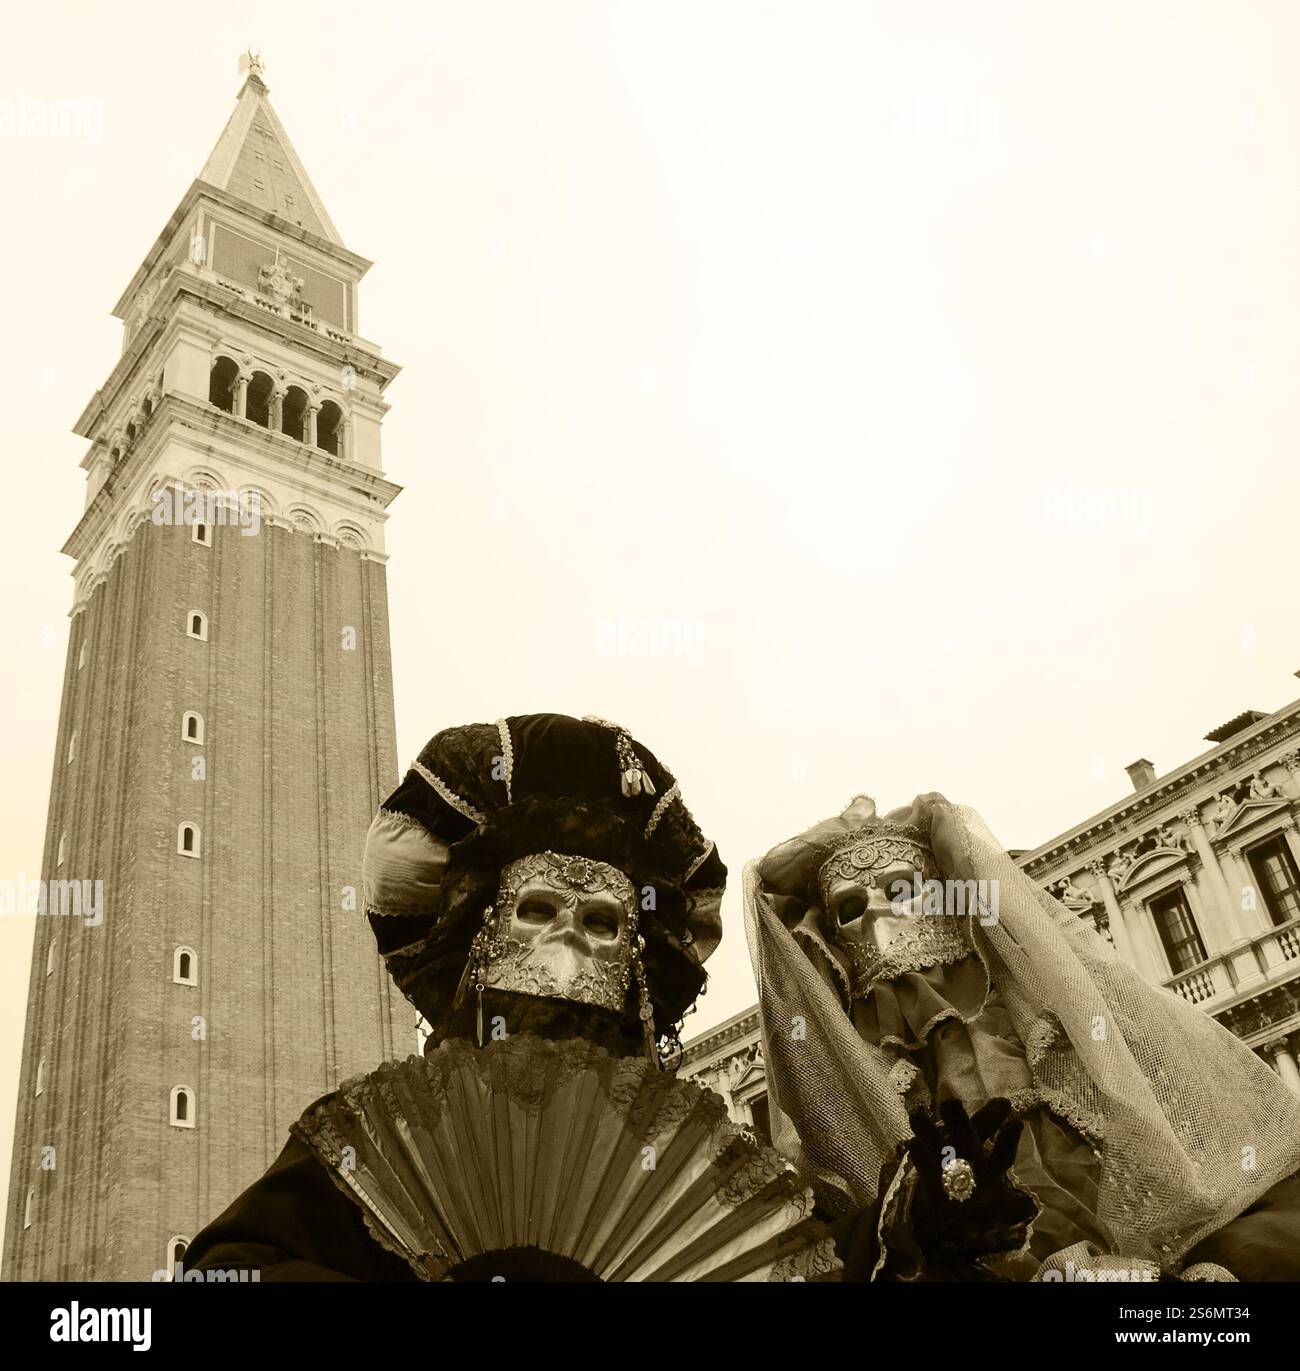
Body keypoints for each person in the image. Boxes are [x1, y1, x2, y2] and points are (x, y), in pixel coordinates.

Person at [184, 713, 726, 1281]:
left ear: (635, 968)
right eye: (537, 910)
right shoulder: (381, 1136)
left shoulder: (683, 1157)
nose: (567, 938)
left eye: (600, 921)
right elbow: (222, 1273)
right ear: (483, 940)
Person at [744, 792, 1300, 1280]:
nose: (881, 919)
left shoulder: (1045, 1031)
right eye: (851, 908)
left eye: (902, 890)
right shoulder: (852, 1089)